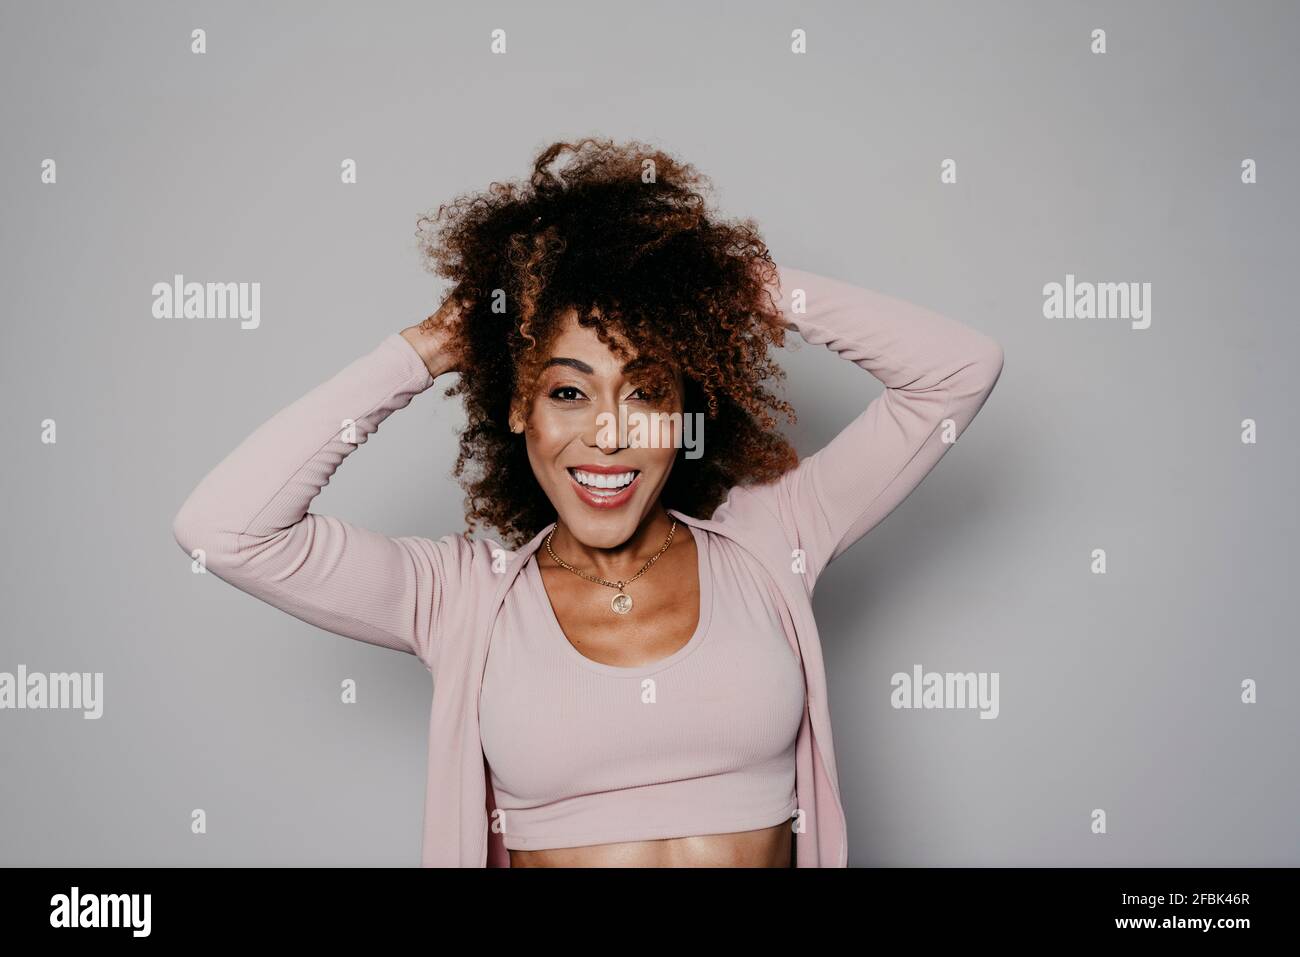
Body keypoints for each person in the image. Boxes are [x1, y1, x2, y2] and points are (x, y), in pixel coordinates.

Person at [171, 138, 1005, 867]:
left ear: (685, 414)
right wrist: (424, 350)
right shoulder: (462, 601)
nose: (605, 434)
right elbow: (224, 529)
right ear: (515, 407)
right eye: (567, 392)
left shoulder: (774, 539)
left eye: (642, 390)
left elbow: (957, 371)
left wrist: (732, 284)